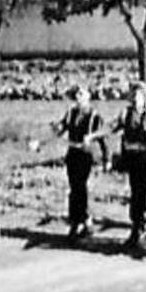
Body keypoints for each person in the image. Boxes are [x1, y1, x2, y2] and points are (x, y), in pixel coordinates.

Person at [113, 81, 146, 251]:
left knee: (142, 192)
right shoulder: (127, 114)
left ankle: (142, 225)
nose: (135, 99)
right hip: (132, 158)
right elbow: (115, 126)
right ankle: (138, 224)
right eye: (133, 96)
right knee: (135, 191)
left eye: (138, 96)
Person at [56, 84, 107, 239]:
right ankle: (79, 221)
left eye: (81, 95)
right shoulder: (71, 113)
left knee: (80, 187)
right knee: (74, 188)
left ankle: (82, 220)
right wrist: (55, 129)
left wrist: (107, 157)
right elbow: (61, 128)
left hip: (85, 154)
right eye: (76, 96)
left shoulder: (94, 115)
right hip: (72, 154)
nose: (78, 98)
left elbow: (102, 137)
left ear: (87, 97)